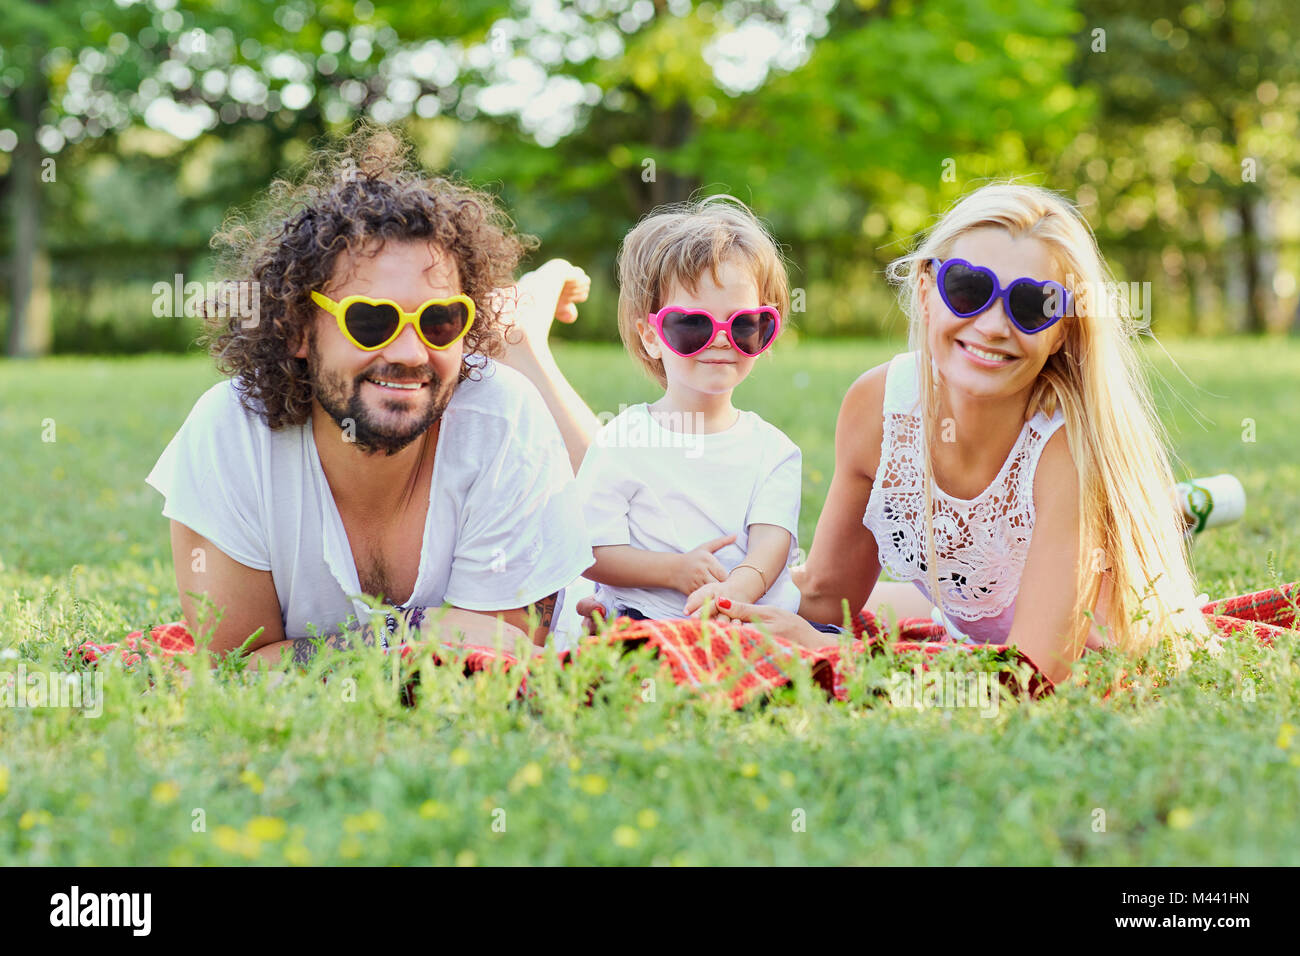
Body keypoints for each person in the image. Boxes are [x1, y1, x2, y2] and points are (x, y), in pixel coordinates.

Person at [556, 183, 1212, 688]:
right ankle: (1176, 506)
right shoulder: (879, 405)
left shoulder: (1066, 448)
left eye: (1032, 304)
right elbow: (825, 602)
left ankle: (1160, 514)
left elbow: (1027, 683)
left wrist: (827, 653)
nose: (991, 325)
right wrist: (741, 616)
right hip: (965, 623)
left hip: (1073, 646)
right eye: (968, 288)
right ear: (925, 290)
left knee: (1128, 526)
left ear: (1065, 328)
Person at [146, 127, 595, 665]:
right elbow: (237, 666)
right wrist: (425, 629)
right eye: (370, 320)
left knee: (620, 487)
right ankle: (515, 331)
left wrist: (313, 656)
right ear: (297, 329)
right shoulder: (229, 432)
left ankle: (518, 336)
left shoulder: (504, 416)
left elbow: (500, 657)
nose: (409, 351)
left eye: (441, 320)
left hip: (614, 557)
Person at [575, 198, 803, 623]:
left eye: (742, 325)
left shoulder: (773, 451)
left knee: (830, 653)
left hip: (750, 622)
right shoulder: (624, 440)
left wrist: (735, 592)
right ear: (651, 336)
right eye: (693, 325)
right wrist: (674, 571)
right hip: (649, 617)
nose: (720, 341)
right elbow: (588, 550)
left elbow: (770, 545)